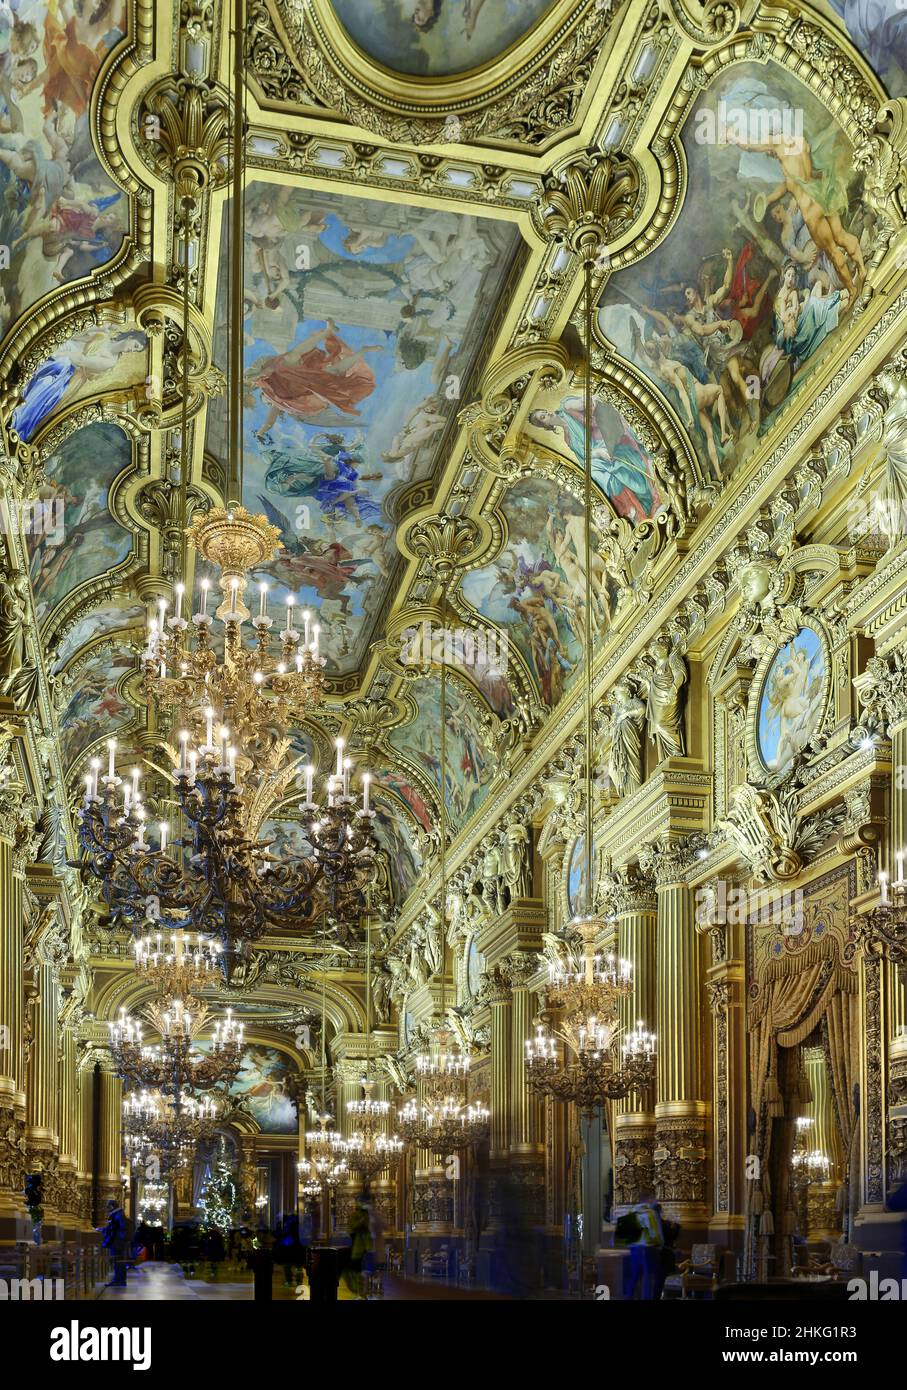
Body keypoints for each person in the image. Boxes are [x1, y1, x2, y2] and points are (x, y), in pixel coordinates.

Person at [101, 1197, 130, 1287]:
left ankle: (119, 1280)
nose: (107, 1209)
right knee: (118, 1261)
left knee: (118, 1262)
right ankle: (119, 1280)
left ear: (112, 1206)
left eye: (108, 1207)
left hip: (117, 1243)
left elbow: (117, 1229)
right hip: (118, 1242)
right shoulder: (118, 1214)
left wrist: (106, 1232)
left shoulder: (118, 1215)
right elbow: (114, 1227)